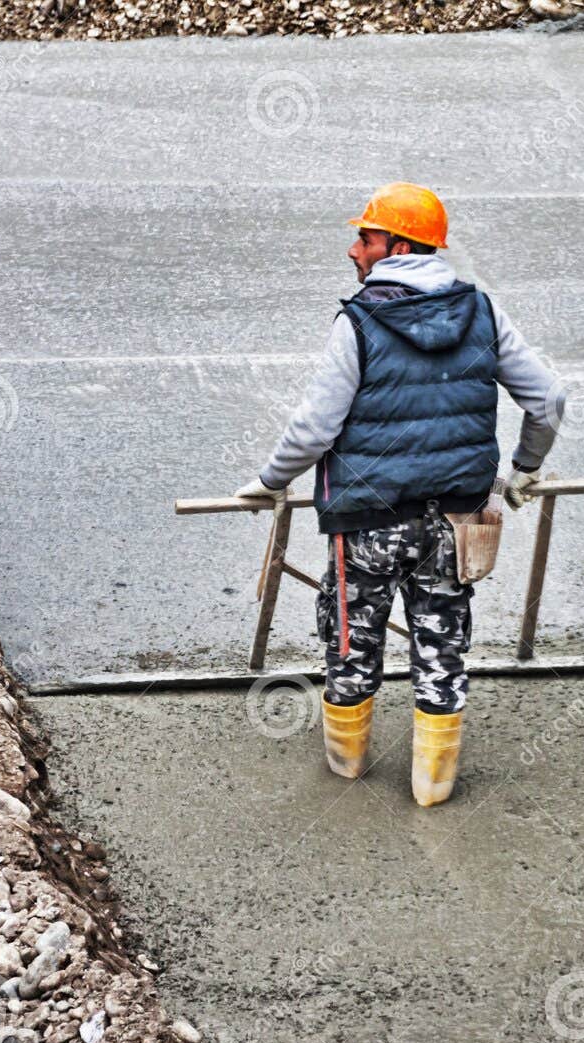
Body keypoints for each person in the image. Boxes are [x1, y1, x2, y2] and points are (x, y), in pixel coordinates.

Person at [235, 182, 566, 806]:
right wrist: (524, 469)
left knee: (351, 639)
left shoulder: (359, 321)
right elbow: (548, 399)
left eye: (365, 237)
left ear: (398, 244)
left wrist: (270, 481)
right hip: (456, 517)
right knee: (442, 641)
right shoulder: (483, 313)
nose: (355, 249)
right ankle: (432, 787)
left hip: (365, 521)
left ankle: (349, 767)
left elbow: (314, 429)